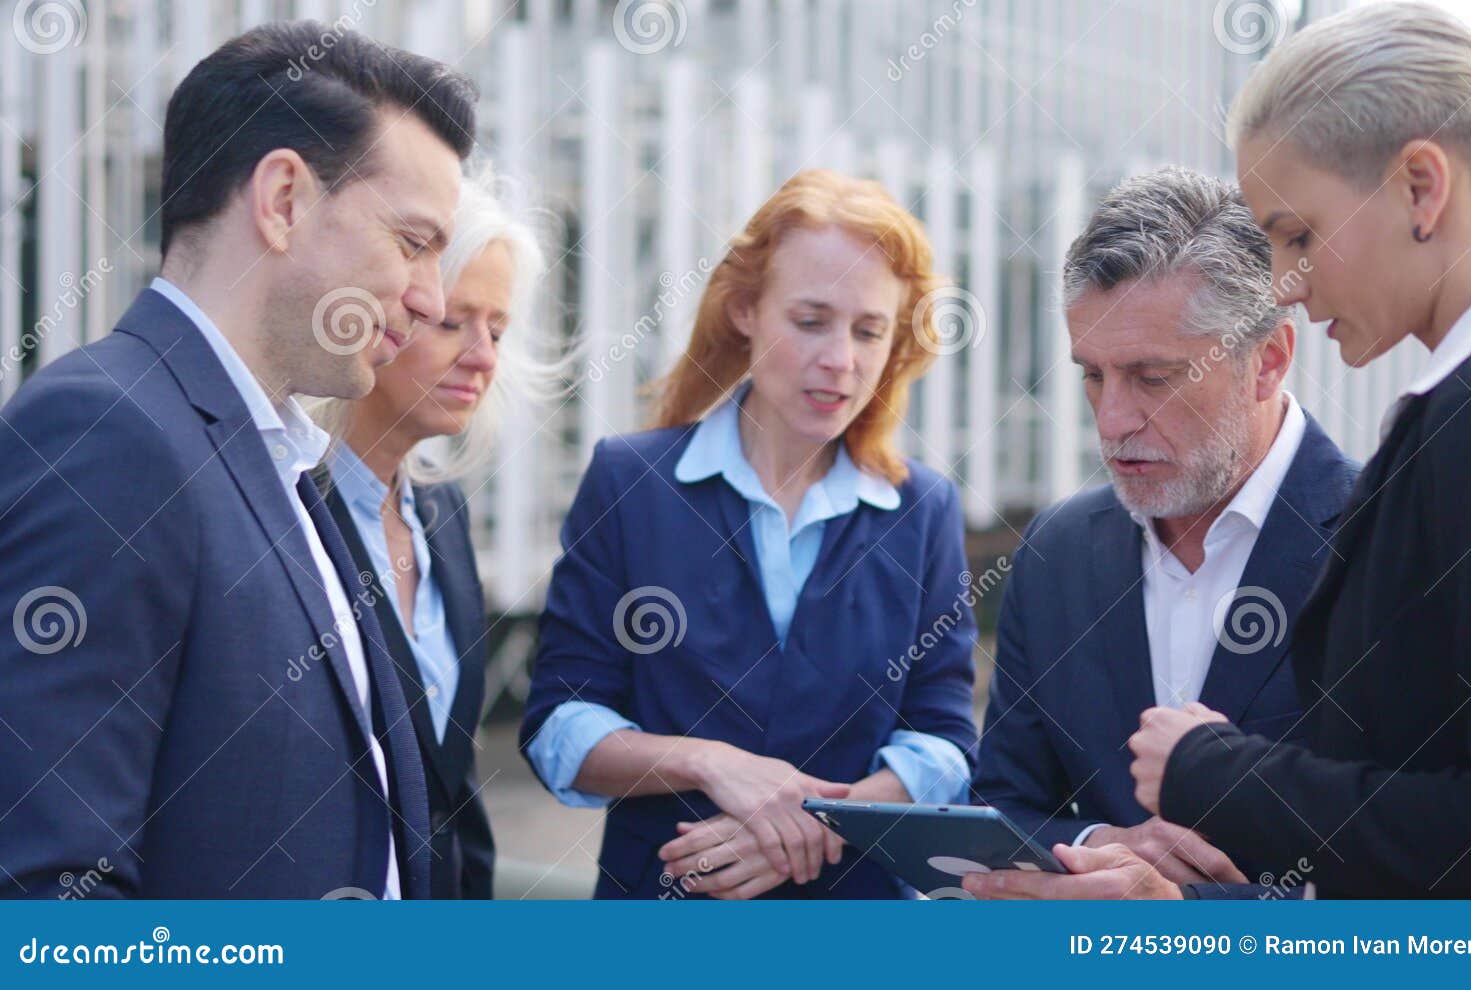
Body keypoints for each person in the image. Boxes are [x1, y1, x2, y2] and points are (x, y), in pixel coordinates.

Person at [972, 1, 1471, 901]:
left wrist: (1211, 783)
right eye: (1092, 377)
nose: (1290, 285)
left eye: (1300, 236)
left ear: (1423, 188)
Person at [0, 21, 476, 898]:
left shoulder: (287, 461)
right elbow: (45, 890)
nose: (432, 298)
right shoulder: (109, 436)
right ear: (284, 199)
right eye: (413, 243)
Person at [521, 169, 978, 899]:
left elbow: (946, 742)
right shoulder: (628, 483)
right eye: (810, 321)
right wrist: (709, 762)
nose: (841, 360)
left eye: (869, 331)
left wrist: (821, 825)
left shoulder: (921, 509)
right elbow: (560, 727)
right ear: (744, 310)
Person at [970, 167, 1357, 892]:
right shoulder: (1055, 552)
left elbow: (1439, 870)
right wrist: (1098, 845)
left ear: (1267, 359)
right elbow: (1000, 807)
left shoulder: (1388, 543)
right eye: (1092, 375)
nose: (1112, 421)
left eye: (1153, 378)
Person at [313, 171, 565, 899]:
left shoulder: (443, 519)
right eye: (454, 322)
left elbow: (451, 794)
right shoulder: (283, 507)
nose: (484, 356)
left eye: (498, 329)